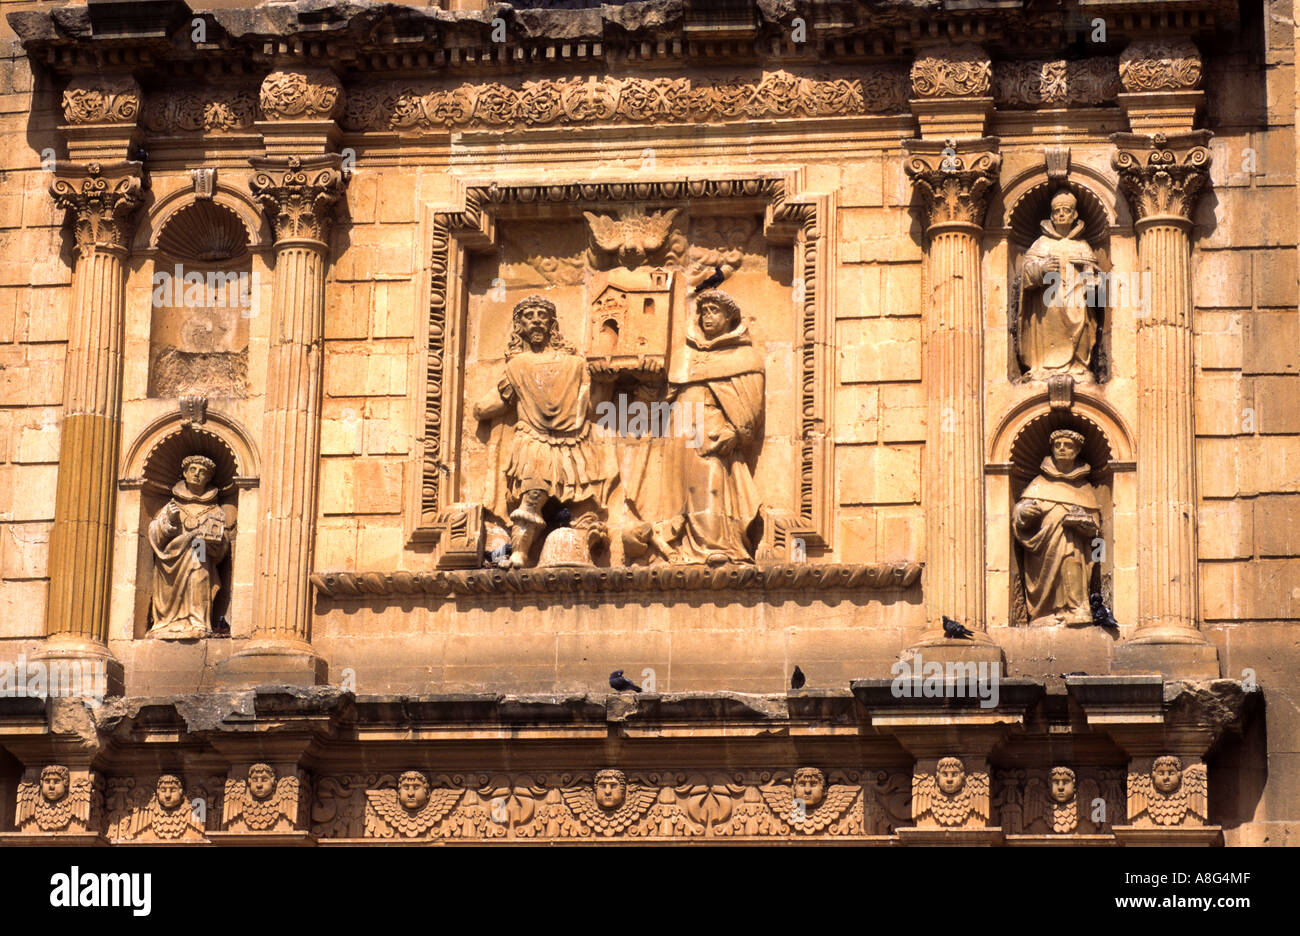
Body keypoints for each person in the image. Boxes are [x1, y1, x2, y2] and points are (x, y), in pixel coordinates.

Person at [474, 295, 616, 567]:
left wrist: (605, 380)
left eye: (542, 315)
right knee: (533, 500)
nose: (536, 320)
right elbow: (595, 402)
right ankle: (520, 554)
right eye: (529, 316)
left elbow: (591, 403)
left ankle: (548, 553)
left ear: (552, 323)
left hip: (561, 443)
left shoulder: (569, 365)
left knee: (577, 507)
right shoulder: (522, 366)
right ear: (519, 325)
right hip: (546, 444)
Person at [630, 289, 764, 565]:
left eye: (715, 311)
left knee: (709, 482)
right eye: (704, 312)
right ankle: (677, 545)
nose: (708, 317)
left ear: (729, 317)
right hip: (677, 430)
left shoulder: (744, 356)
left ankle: (716, 545)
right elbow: (658, 397)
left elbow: (750, 404)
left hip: (712, 431)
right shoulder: (684, 355)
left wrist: (736, 433)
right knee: (677, 488)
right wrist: (645, 379)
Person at [1013, 429, 1102, 625]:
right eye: (1057, 445)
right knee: (1058, 566)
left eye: (1068, 445)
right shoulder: (1039, 483)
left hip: (1076, 548)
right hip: (1044, 549)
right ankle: (1044, 612)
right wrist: (1022, 512)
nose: (1062, 449)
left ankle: (1076, 608)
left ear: (1077, 450)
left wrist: (1087, 526)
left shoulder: (1085, 488)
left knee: (1072, 562)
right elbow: (1021, 510)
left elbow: (1098, 538)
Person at [148, 454, 235, 638]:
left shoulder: (215, 510)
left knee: (199, 570)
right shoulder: (172, 506)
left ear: (209, 478)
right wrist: (170, 522)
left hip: (200, 554)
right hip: (172, 560)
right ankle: (168, 621)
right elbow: (155, 534)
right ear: (185, 473)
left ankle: (198, 620)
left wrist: (215, 542)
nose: (197, 474)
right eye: (193, 470)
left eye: (202, 472)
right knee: (195, 556)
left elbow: (222, 546)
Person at [1019, 190, 1101, 380]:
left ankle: (1078, 366)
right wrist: (1042, 269)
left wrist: (1089, 273)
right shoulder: (1042, 244)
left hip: (1077, 302)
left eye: (1066, 210)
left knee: (1081, 329)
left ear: (1074, 215)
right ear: (1051, 216)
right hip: (1049, 306)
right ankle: (1046, 368)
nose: (1061, 214)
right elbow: (1026, 272)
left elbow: (1096, 281)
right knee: (1050, 326)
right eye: (1057, 211)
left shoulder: (1083, 246)